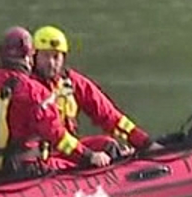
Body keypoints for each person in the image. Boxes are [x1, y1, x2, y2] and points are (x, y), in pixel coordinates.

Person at [0, 27, 106, 183]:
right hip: (22, 173)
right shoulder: (33, 91)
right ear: (29, 58)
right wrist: (88, 156)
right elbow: (57, 136)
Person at [29, 25, 156, 163]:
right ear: (34, 56)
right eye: (45, 56)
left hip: (70, 149)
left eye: (56, 56)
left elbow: (109, 116)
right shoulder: (30, 88)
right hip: (43, 157)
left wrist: (145, 143)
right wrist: (89, 156)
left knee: (109, 144)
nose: (51, 63)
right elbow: (54, 133)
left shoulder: (71, 82)